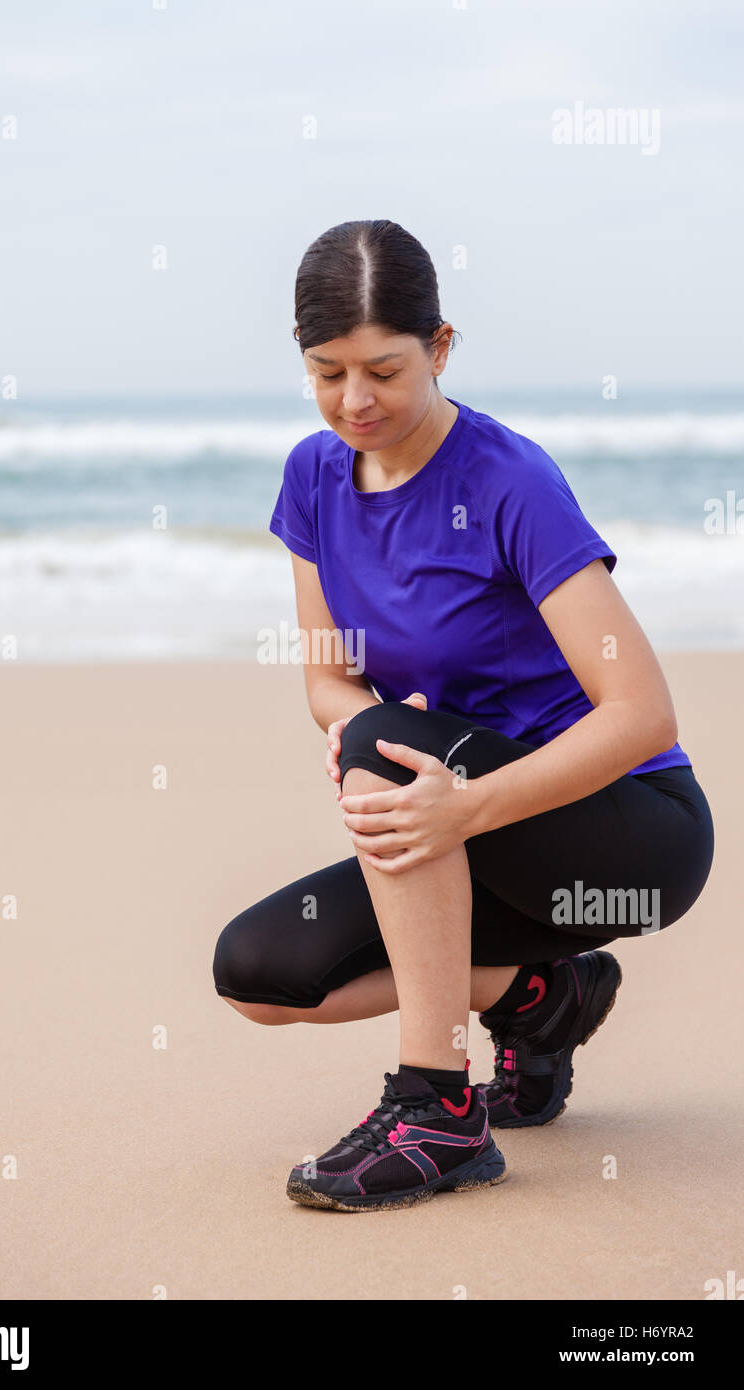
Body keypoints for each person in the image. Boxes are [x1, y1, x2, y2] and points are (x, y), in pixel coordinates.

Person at [212, 219, 714, 1213]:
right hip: (468, 835)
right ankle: (540, 995)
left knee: (381, 741)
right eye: (325, 373)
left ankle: (436, 1109)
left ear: (439, 348)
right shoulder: (313, 478)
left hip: (627, 834)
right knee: (259, 974)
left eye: (382, 371)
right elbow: (327, 681)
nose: (352, 401)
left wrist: (460, 805)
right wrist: (379, 751)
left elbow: (640, 714)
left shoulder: (506, 482)